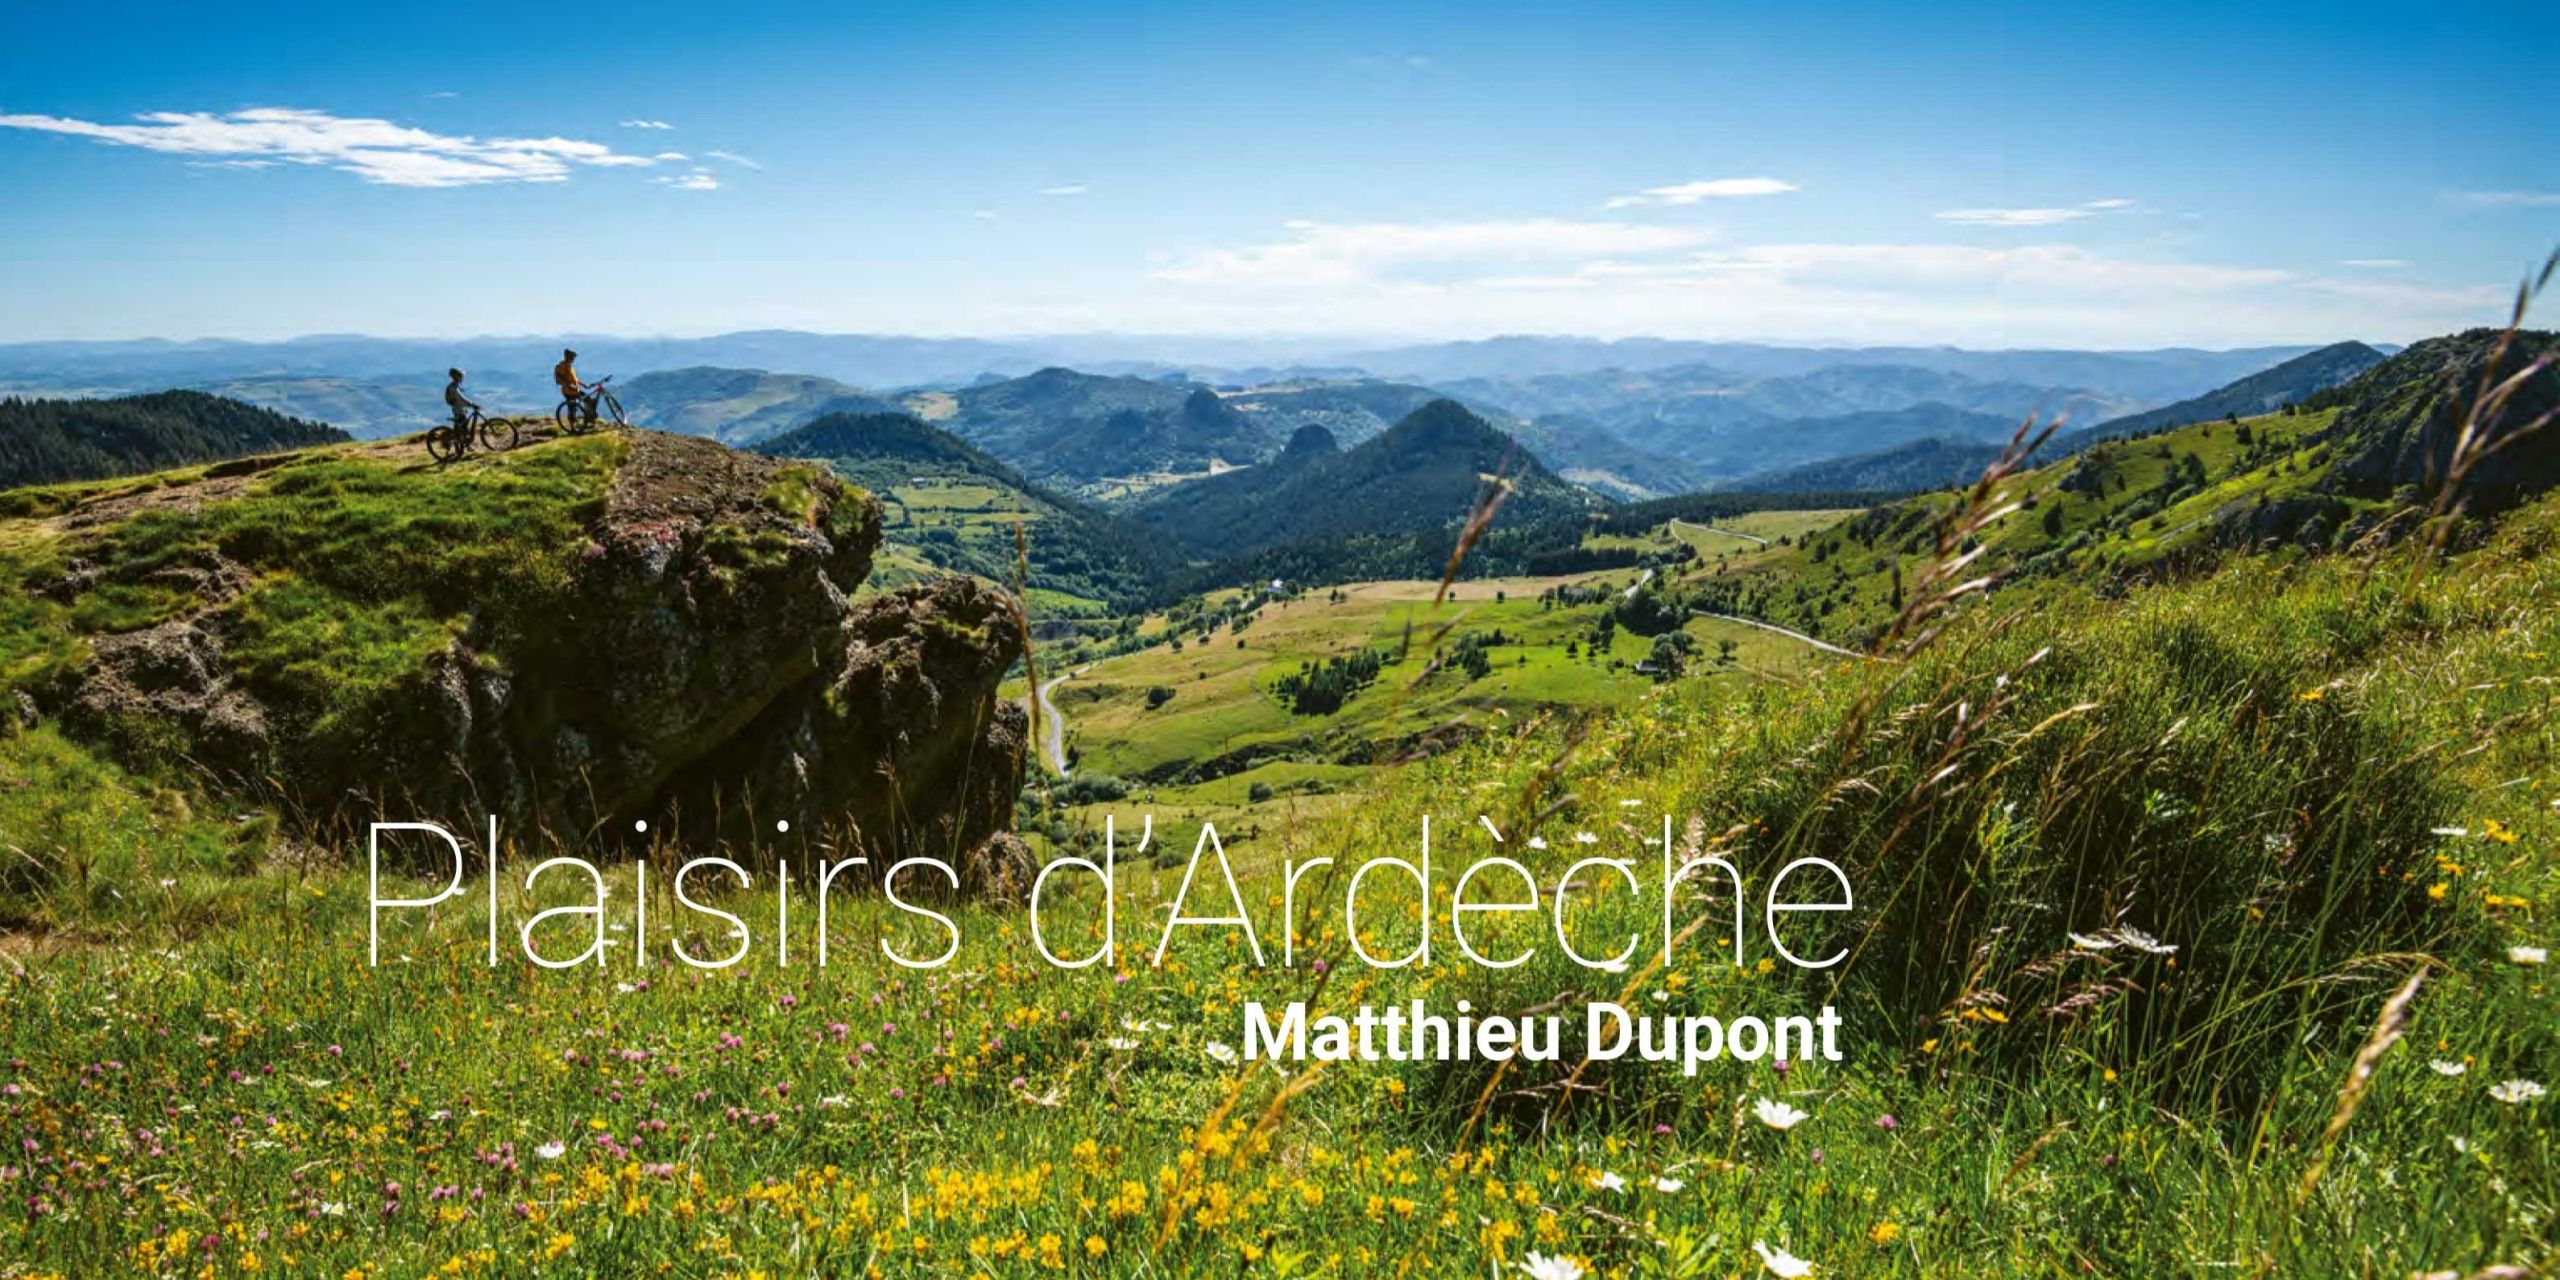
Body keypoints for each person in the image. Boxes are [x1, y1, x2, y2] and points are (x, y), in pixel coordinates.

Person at [553, 348, 587, 425]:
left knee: (585, 399)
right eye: (572, 357)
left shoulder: (569, 366)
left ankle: (585, 418)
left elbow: (574, 379)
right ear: (568, 357)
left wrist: (583, 384)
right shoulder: (562, 366)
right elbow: (560, 379)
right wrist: (569, 385)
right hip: (568, 391)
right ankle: (572, 427)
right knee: (571, 408)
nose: (573, 359)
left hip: (574, 390)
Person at [443, 367, 479, 434]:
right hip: (458, 409)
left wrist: (470, 404)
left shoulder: (455, 385)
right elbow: (461, 398)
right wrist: (472, 404)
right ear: (457, 377)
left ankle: (459, 438)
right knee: (463, 426)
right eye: (461, 376)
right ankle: (458, 438)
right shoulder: (453, 388)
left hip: (459, 408)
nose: (462, 378)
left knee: (461, 425)